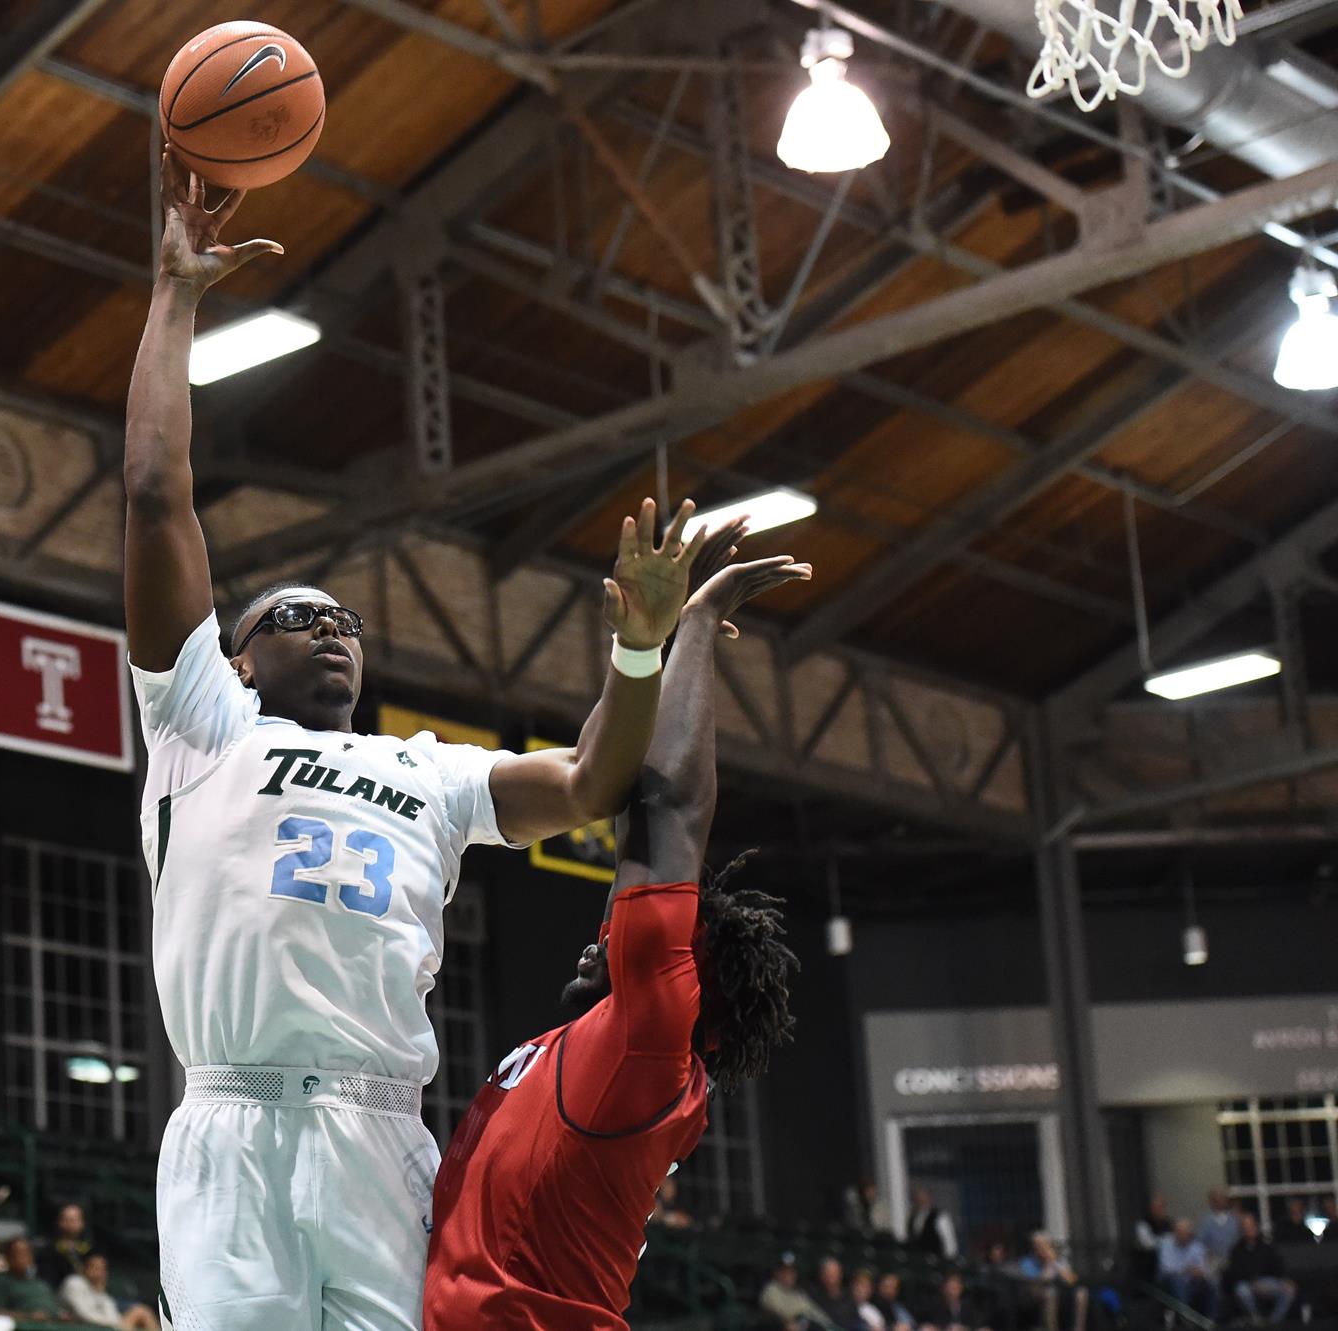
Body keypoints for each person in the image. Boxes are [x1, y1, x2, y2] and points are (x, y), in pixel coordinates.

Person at [127, 150, 721, 1331]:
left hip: (376, 1122)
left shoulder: (430, 770)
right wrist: (175, 297)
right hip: (227, 1119)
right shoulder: (201, 721)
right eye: (295, 616)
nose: (331, 630)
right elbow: (154, 489)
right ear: (234, 656)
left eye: (346, 619)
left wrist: (645, 648)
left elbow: (599, 776)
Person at [425, 548, 810, 1330]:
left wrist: (696, 623)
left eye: (630, 933)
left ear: (678, 976)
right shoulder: (624, 1046)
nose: (600, 938)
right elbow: (628, 807)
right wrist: (638, 654)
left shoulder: (647, 1043)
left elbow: (669, 811)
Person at [1225, 1211, 1296, 1323]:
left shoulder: (1266, 1245)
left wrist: (1284, 1279)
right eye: (1245, 1226)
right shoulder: (1236, 1250)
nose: (1248, 1229)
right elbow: (1236, 1272)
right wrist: (1253, 1282)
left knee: (1289, 1290)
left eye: (1250, 1226)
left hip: (1268, 1281)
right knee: (1242, 1291)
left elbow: (1277, 1265)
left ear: (1256, 1226)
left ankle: (1274, 1321)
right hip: (1247, 1283)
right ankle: (1257, 1319)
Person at [60, 1252, 159, 1330]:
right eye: (95, 1267)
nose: (99, 1272)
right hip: (82, 1326)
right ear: (84, 1268)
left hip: (103, 1327)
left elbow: (111, 1314)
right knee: (139, 1311)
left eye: (102, 1269)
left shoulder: (99, 1288)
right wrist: (116, 1324)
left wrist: (99, 1292)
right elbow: (84, 1315)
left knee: (142, 1311)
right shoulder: (74, 1282)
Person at [0, 1238, 65, 1322]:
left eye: (27, 1253)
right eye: (19, 1253)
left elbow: (56, 1308)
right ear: (8, 1257)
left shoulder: (40, 1283)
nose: (24, 1257)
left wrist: (63, 1315)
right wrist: (28, 1316)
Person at [1017, 1232, 1087, 1331]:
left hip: (1061, 1292)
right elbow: (1036, 1284)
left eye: (1045, 1245)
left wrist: (1055, 1263)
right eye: (1038, 1246)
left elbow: (1072, 1280)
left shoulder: (1058, 1260)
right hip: (1036, 1294)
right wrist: (1047, 1265)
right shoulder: (1027, 1262)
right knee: (1051, 1293)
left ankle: (1078, 1328)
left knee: (1081, 1292)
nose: (1042, 1249)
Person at [1157, 1217, 1217, 1316]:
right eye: (1180, 1233)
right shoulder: (1166, 1243)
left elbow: (1202, 1268)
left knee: (1210, 1283)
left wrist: (1198, 1271)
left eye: (1186, 1234)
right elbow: (1166, 1268)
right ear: (1175, 1232)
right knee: (1177, 1280)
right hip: (1168, 1281)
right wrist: (1186, 1269)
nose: (1182, 1236)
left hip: (1190, 1280)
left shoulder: (1197, 1246)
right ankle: (1185, 1315)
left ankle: (1210, 1320)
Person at [760, 1255, 833, 1331]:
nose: (788, 1275)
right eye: (785, 1271)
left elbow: (816, 1314)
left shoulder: (798, 1293)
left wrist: (831, 1327)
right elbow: (783, 1313)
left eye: (791, 1272)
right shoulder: (771, 1289)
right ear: (777, 1272)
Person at [919, 1272, 988, 1331]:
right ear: (944, 1289)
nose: (952, 1292)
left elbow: (976, 1323)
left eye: (956, 1288)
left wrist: (962, 1328)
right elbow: (933, 1323)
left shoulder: (968, 1304)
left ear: (961, 1288)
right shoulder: (937, 1304)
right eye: (951, 1288)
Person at [908, 1188, 960, 1260]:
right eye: (918, 1198)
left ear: (929, 1197)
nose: (920, 1200)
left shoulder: (940, 1216)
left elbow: (949, 1240)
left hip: (938, 1259)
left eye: (923, 1197)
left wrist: (950, 1259)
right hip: (921, 1260)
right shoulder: (913, 1218)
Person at [1132, 1195, 1172, 1282]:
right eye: (1156, 1208)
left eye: (1161, 1207)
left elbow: (1172, 1240)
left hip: (1166, 1257)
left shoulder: (1167, 1223)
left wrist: (1162, 1242)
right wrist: (1164, 1241)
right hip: (1149, 1259)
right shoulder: (1143, 1223)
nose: (1158, 1210)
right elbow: (1148, 1244)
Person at [1200, 1191, 1241, 1268]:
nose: (1219, 1202)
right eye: (1216, 1200)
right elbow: (1202, 1243)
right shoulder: (1207, 1221)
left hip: (1235, 1260)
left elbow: (1240, 1238)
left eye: (1222, 1199)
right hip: (1214, 1261)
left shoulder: (1235, 1219)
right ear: (1211, 1202)